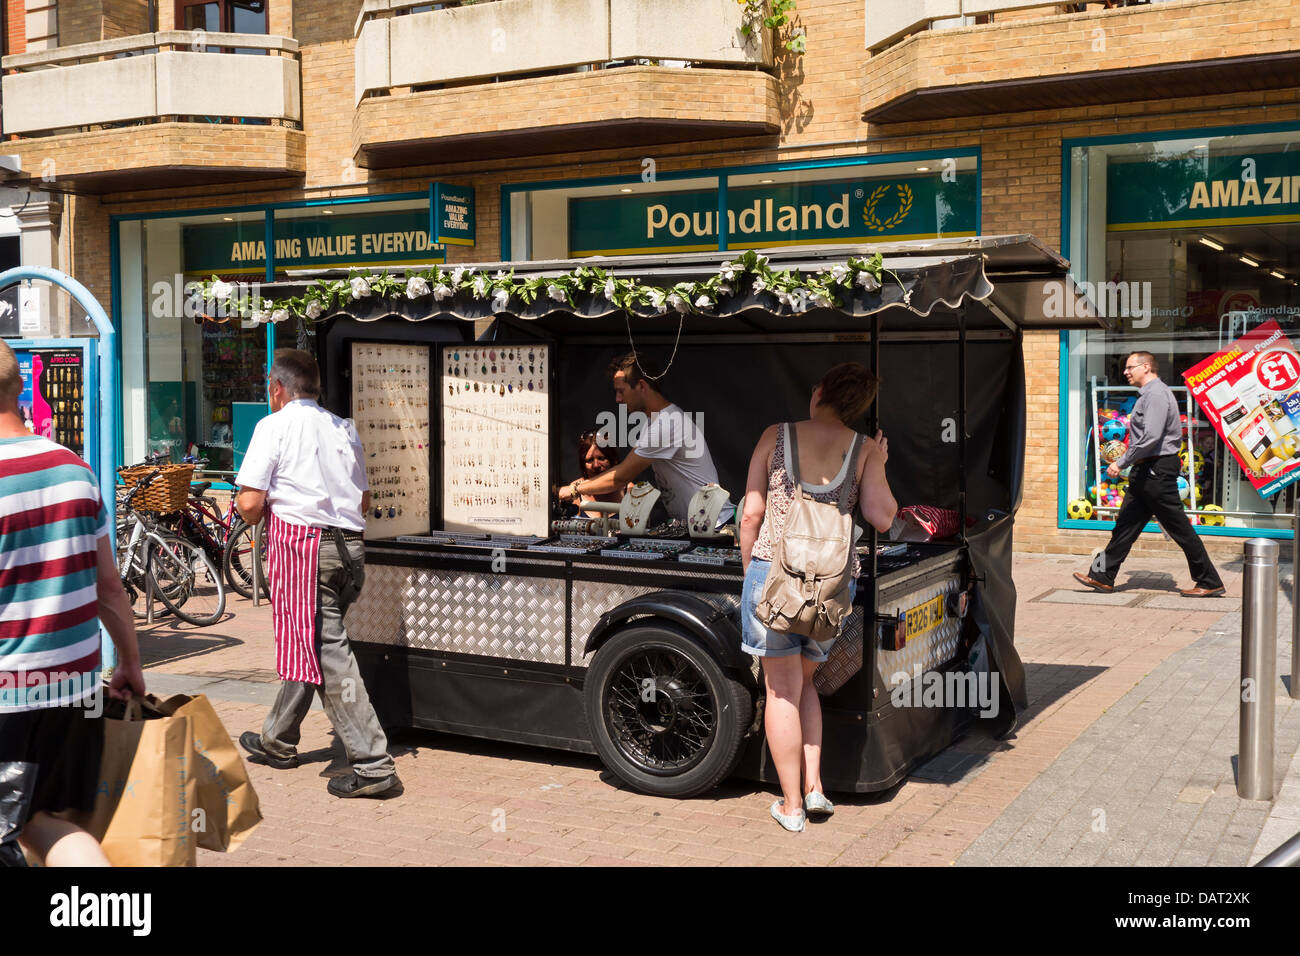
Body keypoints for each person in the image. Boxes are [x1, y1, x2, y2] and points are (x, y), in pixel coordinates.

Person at [0, 339, 147, 867]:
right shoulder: (74, 469)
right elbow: (109, 587)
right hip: (74, 682)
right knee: (46, 819)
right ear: (21, 388)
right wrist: (129, 661)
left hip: (8, 691)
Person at [234, 348, 402, 799]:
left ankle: (372, 764)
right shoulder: (343, 428)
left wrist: (261, 505)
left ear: (277, 389)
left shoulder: (273, 426)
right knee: (312, 643)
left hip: (306, 553)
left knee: (327, 653)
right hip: (351, 552)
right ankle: (278, 739)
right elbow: (364, 501)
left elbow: (249, 505)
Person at [739, 362, 897, 833]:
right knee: (806, 684)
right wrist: (880, 465)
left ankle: (790, 806)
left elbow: (751, 512)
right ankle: (816, 788)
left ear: (821, 392)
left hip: (775, 579)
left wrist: (751, 571)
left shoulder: (777, 435)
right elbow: (882, 517)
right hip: (831, 586)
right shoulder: (864, 448)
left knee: (779, 690)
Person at [1073, 351, 1225, 598]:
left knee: (1179, 529)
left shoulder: (1155, 394)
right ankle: (1102, 576)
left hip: (1156, 469)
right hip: (1146, 470)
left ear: (1146, 367)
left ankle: (1208, 580)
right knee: (1124, 526)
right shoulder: (1151, 394)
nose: (1125, 372)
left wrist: (1121, 463)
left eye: (1130, 367)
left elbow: (1151, 438)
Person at [558, 352, 735, 525]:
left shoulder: (667, 424)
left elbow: (620, 477)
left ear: (641, 386)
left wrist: (574, 489)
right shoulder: (656, 422)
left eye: (621, 391)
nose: (618, 399)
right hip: (700, 525)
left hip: (715, 525)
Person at [574, 429, 627, 519]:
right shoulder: (574, 491)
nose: (596, 465)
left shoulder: (630, 492)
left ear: (613, 460)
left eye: (601, 458)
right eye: (590, 460)